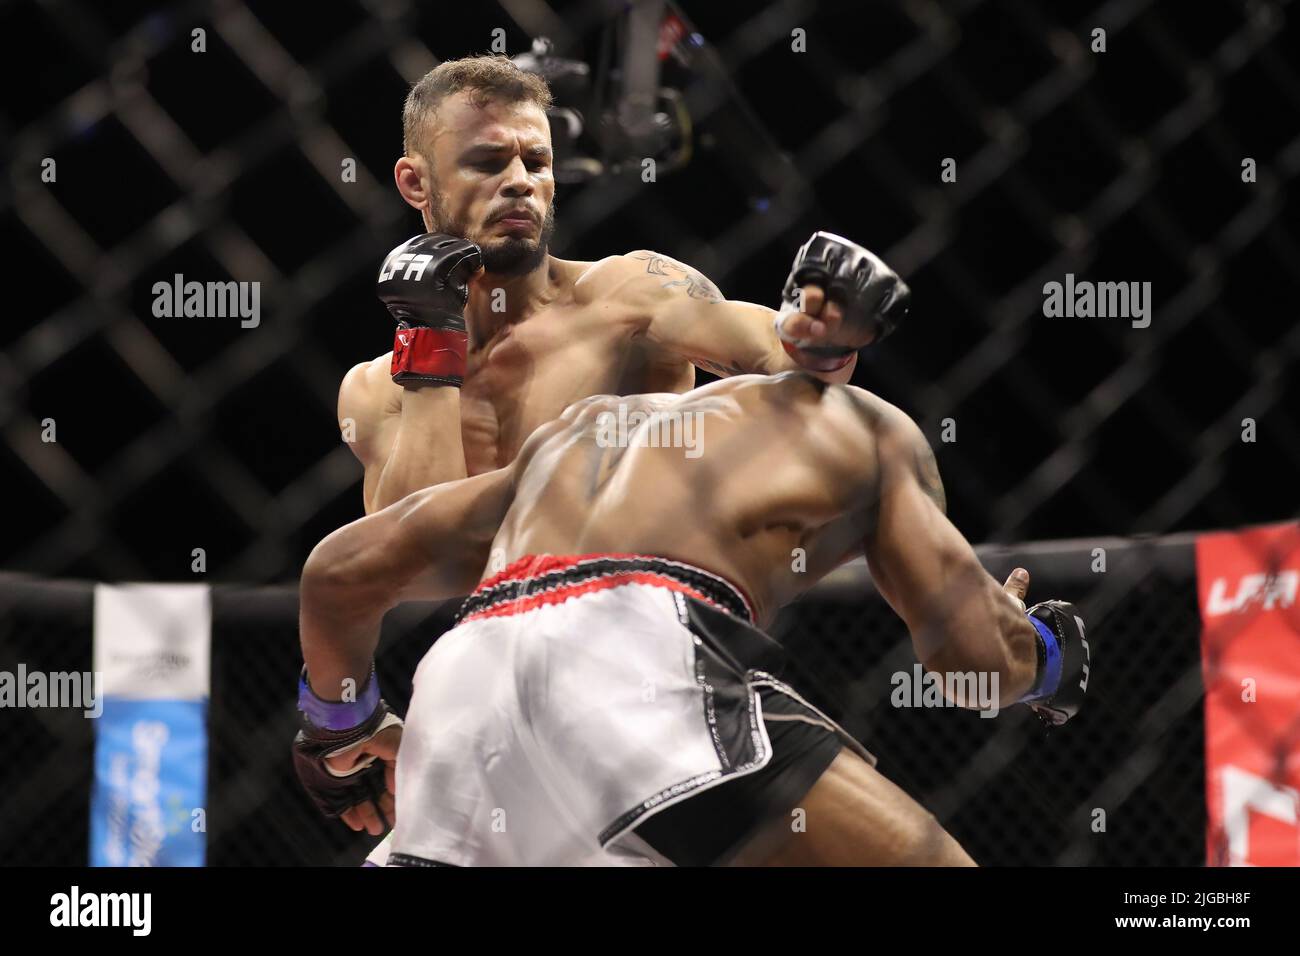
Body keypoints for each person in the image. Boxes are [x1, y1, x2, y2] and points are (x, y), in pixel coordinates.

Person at [293, 372, 1091, 865]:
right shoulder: (866, 429)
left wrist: (342, 728)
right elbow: (974, 663)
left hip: (465, 682)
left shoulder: (561, 442)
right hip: (634, 654)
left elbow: (338, 574)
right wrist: (1047, 652)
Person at [340, 54, 909, 514]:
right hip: (473, 643)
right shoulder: (375, 390)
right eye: (489, 162)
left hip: (628, 620)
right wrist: (432, 342)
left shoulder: (629, 294)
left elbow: (780, 357)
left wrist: (822, 333)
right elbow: (411, 556)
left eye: (536, 163)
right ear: (416, 183)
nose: (519, 182)